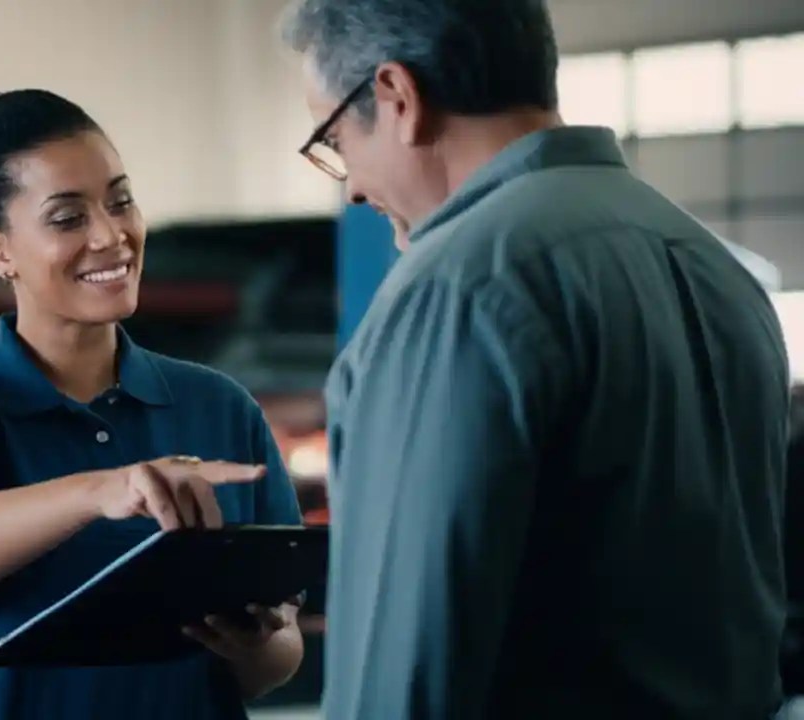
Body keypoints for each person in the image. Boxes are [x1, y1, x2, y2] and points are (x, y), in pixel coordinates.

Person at [281, 1, 790, 718]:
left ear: (397, 96)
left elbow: (403, 675)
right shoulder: (720, 269)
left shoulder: (460, 286)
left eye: (334, 139)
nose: (354, 186)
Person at [0, 89, 304, 720]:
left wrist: (255, 644)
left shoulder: (219, 406)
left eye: (120, 201)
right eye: (68, 218)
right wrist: (101, 490)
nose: (111, 235)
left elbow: (277, 656)